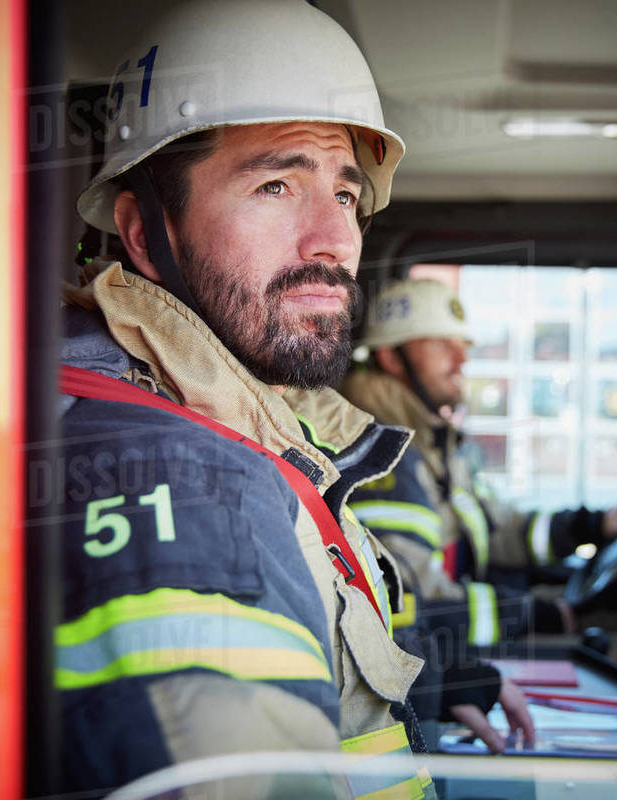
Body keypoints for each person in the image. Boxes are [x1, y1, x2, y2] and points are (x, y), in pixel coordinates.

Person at [54, 3, 433, 796]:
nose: (333, 238)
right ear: (142, 232)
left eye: (344, 192)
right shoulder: (177, 472)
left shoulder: (258, 425)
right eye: (274, 184)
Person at [341, 279, 617, 646]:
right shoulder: (382, 457)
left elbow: (493, 527)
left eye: (463, 346)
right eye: (442, 345)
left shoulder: (427, 440)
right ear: (391, 358)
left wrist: (589, 526)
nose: (462, 358)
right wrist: (531, 615)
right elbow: (411, 599)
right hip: (433, 653)